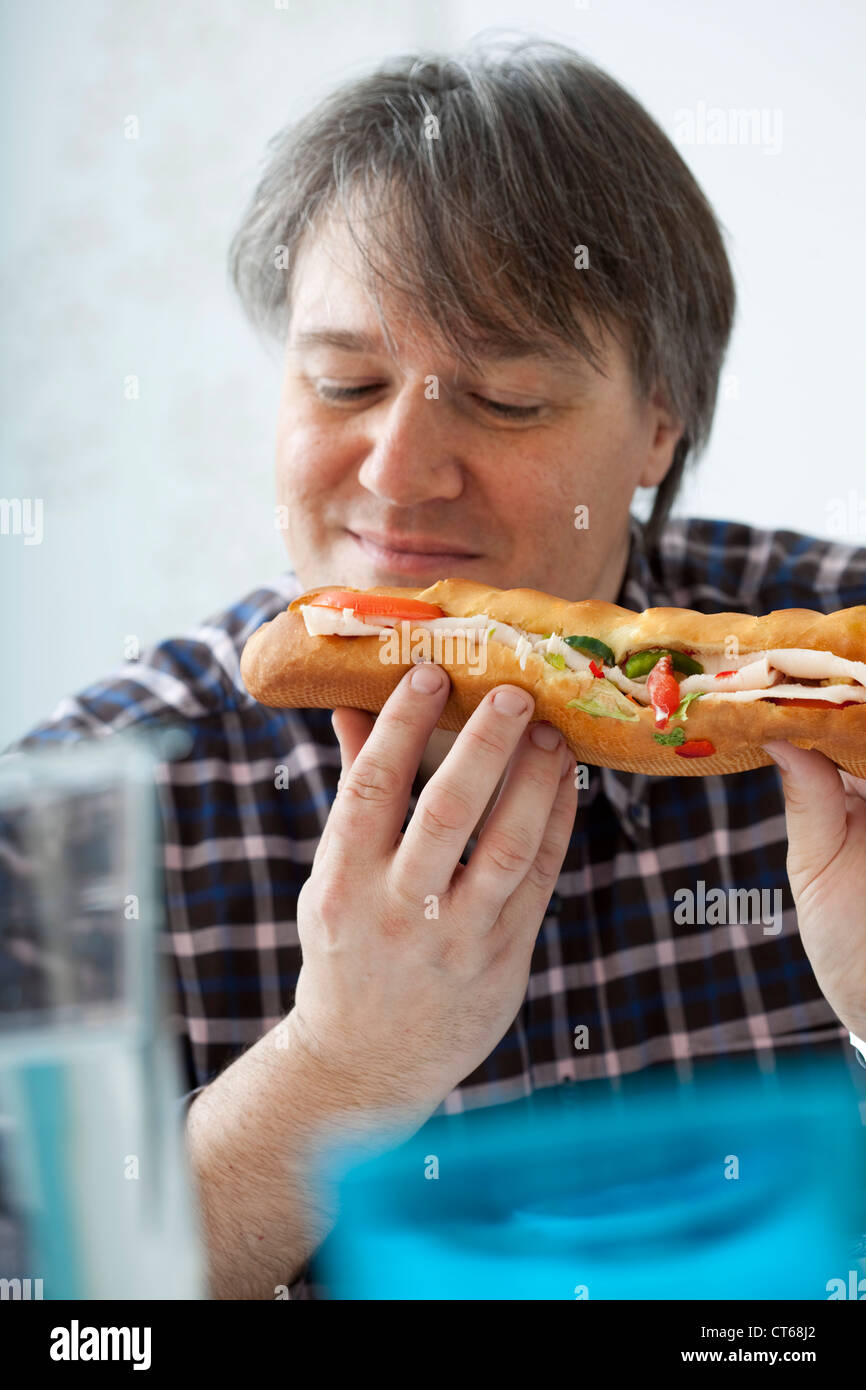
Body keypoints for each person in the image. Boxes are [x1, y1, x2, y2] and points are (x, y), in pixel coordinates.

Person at [4, 39, 865, 1300]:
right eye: (341, 378)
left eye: (505, 398)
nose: (398, 472)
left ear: (659, 424)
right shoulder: (73, 828)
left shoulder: (825, 671)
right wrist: (333, 1074)